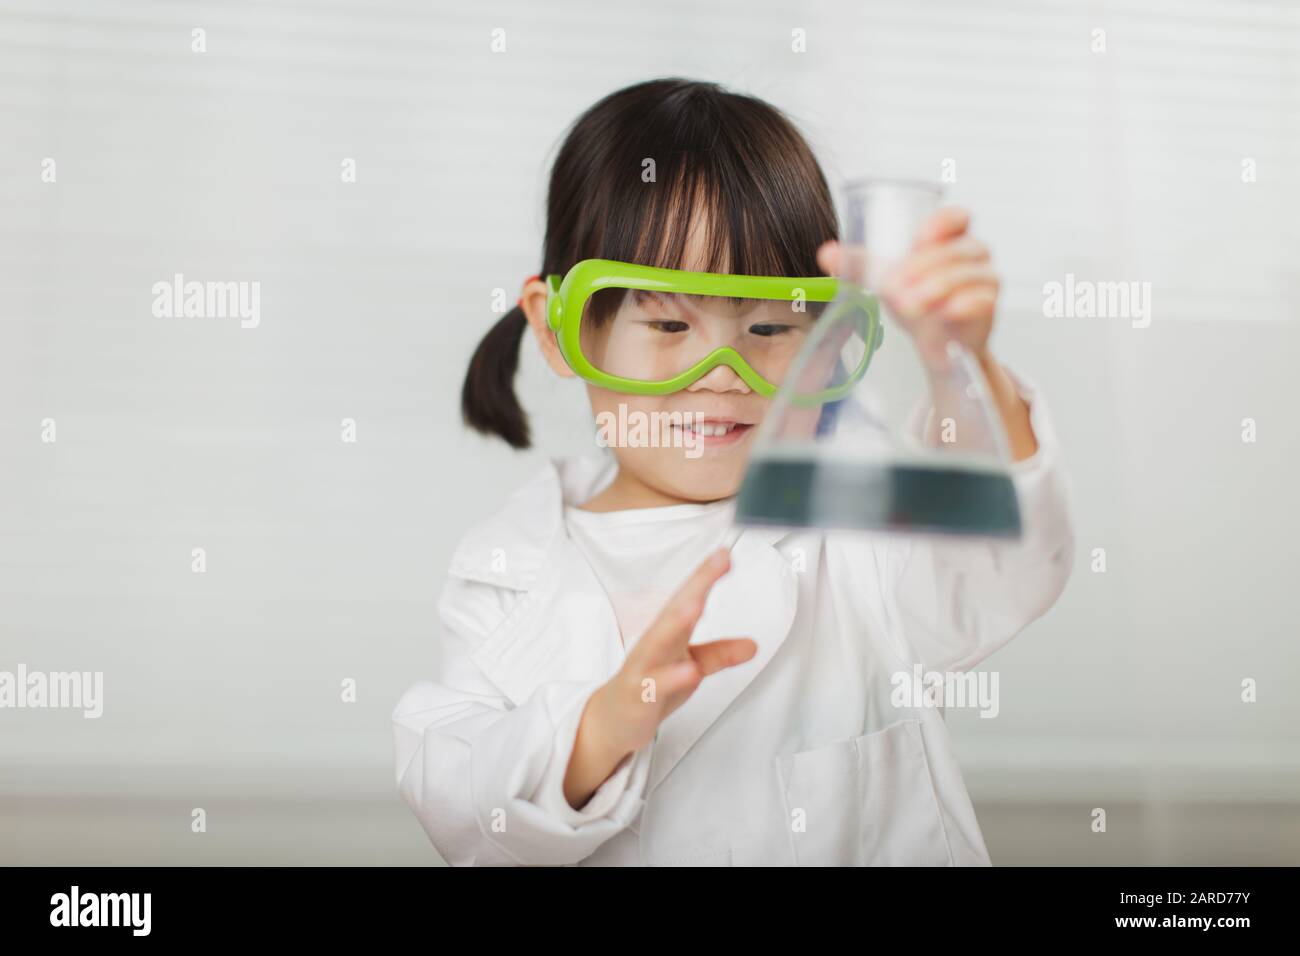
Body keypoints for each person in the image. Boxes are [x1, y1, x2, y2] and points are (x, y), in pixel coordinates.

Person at [392, 77, 1074, 866]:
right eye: (670, 322)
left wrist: (960, 364)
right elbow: (461, 801)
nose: (724, 372)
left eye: (767, 325)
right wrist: (599, 729)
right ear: (564, 329)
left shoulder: (852, 522)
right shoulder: (502, 573)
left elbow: (1004, 567)